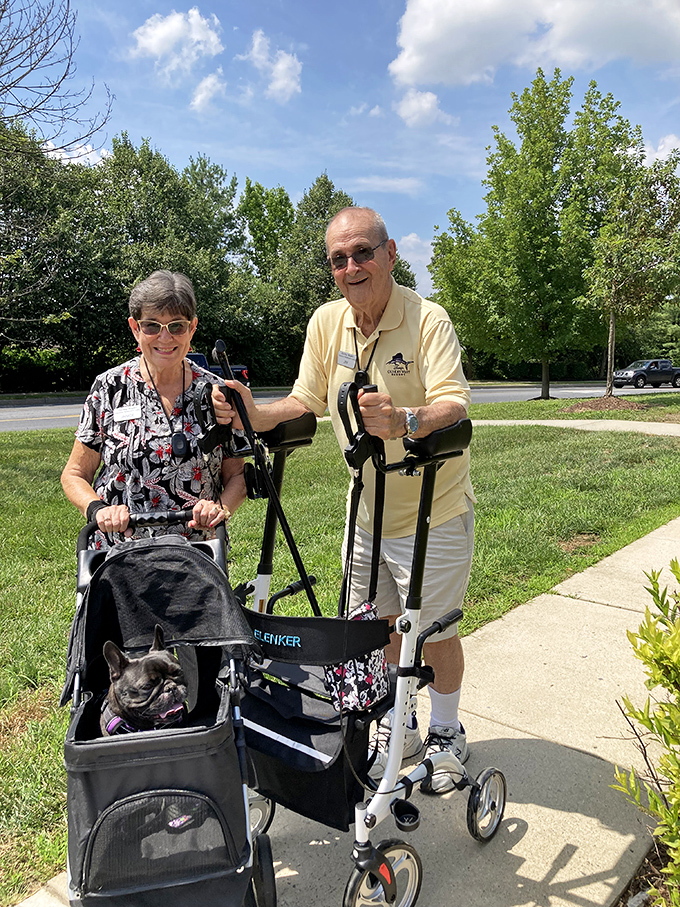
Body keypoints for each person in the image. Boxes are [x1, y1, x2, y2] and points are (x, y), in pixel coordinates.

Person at [213, 208, 474, 793]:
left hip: (433, 510)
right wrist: (254, 410)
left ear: (390, 254)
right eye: (338, 259)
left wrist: (406, 420)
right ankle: (401, 722)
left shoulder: (428, 319)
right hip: (367, 514)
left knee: (431, 631)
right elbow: (304, 400)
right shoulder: (326, 322)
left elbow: (454, 403)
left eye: (362, 253)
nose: (351, 267)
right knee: (375, 630)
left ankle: (446, 732)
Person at [61, 270, 246, 549]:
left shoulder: (217, 393)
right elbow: (75, 473)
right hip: (119, 552)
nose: (165, 337)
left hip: (197, 552)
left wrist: (219, 508)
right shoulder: (109, 387)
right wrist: (98, 509)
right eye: (151, 326)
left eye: (177, 326)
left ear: (192, 328)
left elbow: (237, 476)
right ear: (135, 328)